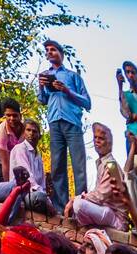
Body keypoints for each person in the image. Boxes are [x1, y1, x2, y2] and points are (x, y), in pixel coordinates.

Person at [37, 38, 91, 207]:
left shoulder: (73, 76)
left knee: (78, 165)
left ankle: (80, 205)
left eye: (53, 49)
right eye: (47, 51)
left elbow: (87, 102)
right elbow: (42, 100)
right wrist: (40, 86)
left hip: (72, 122)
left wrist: (66, 90)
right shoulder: (46, 75)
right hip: (54, 122)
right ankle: (61, 207)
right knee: (57, 166)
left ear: (61, 54)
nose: (50, 53)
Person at [69, 123, 131, 230]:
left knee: (78, 205)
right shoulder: (101, 163)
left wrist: (75, 199)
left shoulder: (111, 165)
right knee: (76, 210)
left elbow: (100, 196)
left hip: (116, 217)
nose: (97, 141)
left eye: (101, 138)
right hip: (106, 211)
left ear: (109, 144)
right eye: (95, 137)